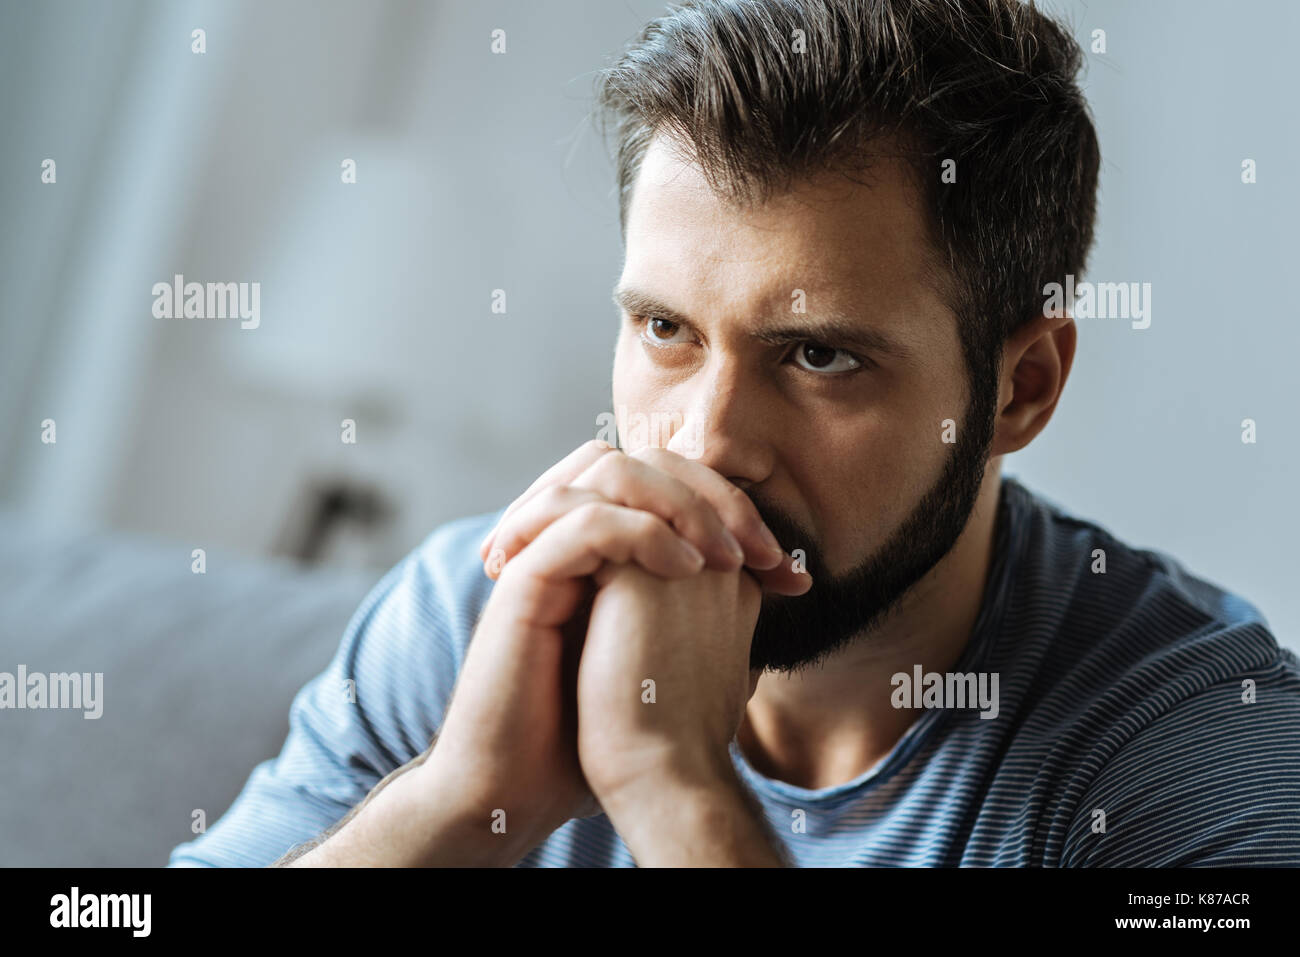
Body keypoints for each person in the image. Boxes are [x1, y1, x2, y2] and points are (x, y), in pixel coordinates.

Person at [168, 0, 1300, 867]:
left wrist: (672, 790)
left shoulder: (1198, 748)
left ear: (1020, 389)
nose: (707, 444)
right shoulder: (481, 617)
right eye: (665, 329)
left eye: (818, 357)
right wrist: (458, 800)